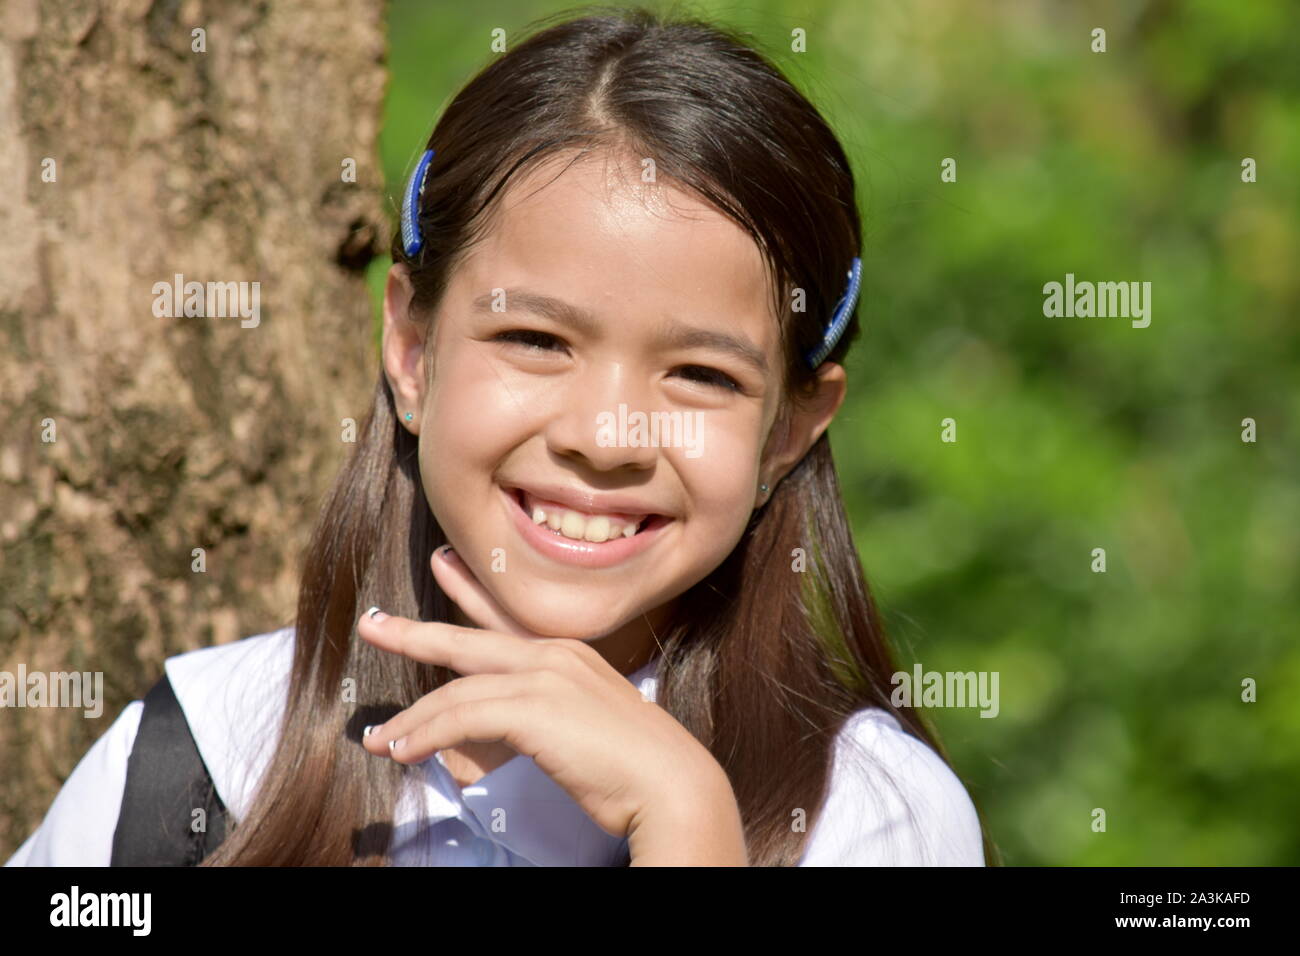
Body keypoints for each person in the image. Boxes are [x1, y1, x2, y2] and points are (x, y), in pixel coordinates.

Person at [7, 6, 989, 867]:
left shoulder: (868, 817)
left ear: (790, 430)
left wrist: (685, 821)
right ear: (413, 346)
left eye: (700, 373)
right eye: (535, 338)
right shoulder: (194, 764)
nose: (607, 435)